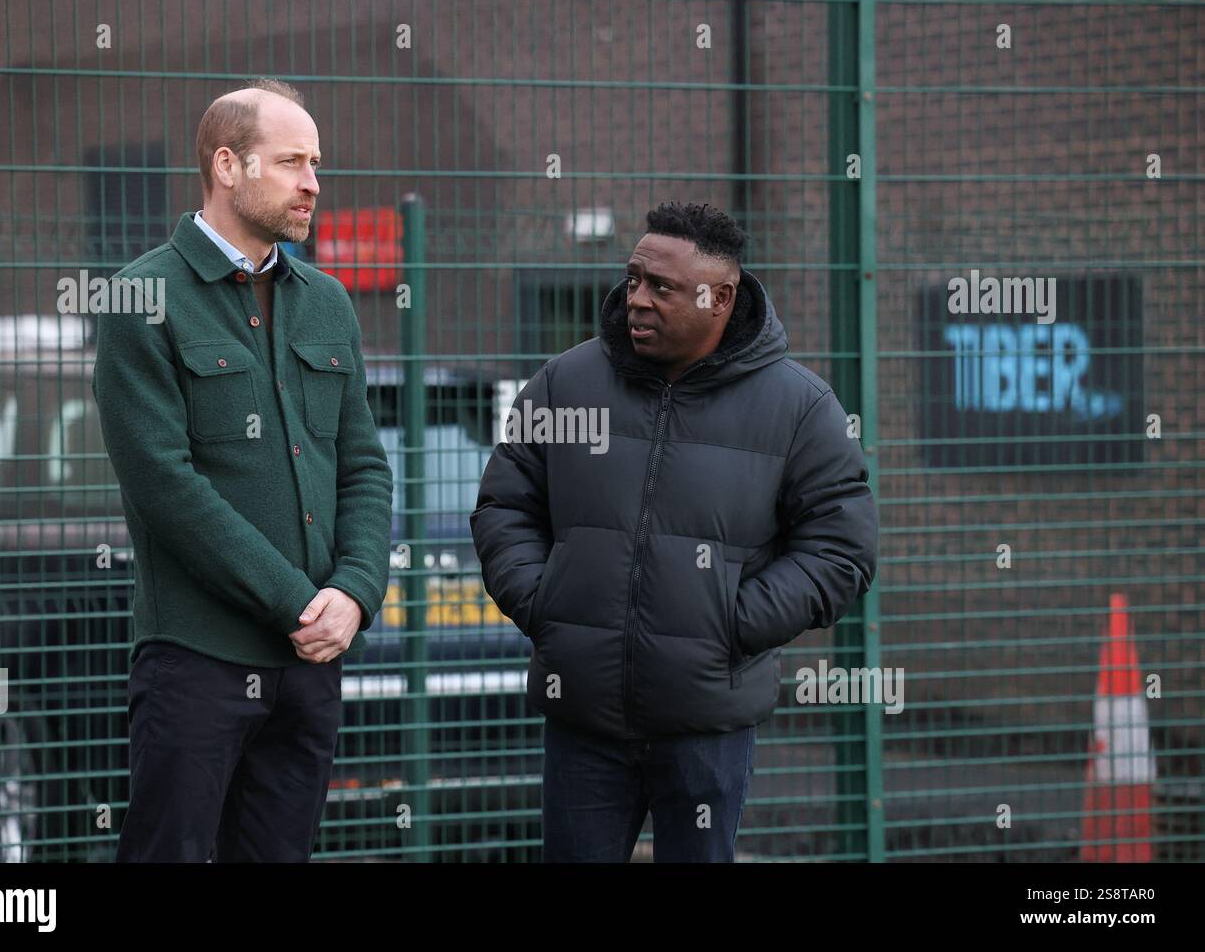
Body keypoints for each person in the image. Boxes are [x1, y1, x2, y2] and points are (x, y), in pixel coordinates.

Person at [471, 201, 878, 862]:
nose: (637, 299)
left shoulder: (801, 410)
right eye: (633, 279)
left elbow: (841, 548)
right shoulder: (564, 385)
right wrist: (547, 604)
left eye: (661, 288)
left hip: (706, 727)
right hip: (582, 719)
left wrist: (729, 623)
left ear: (720, 298)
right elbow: (504, 505)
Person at [92, 79, 392, 862]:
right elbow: (166, 488)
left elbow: (362, 465)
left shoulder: (328, 304)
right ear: (227, 166)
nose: (313, 183)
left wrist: (355, 594)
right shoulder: (141, 299)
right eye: (291, 161)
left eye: (316, 163)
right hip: (198, 662)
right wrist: (301, 603)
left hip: (311, 667)